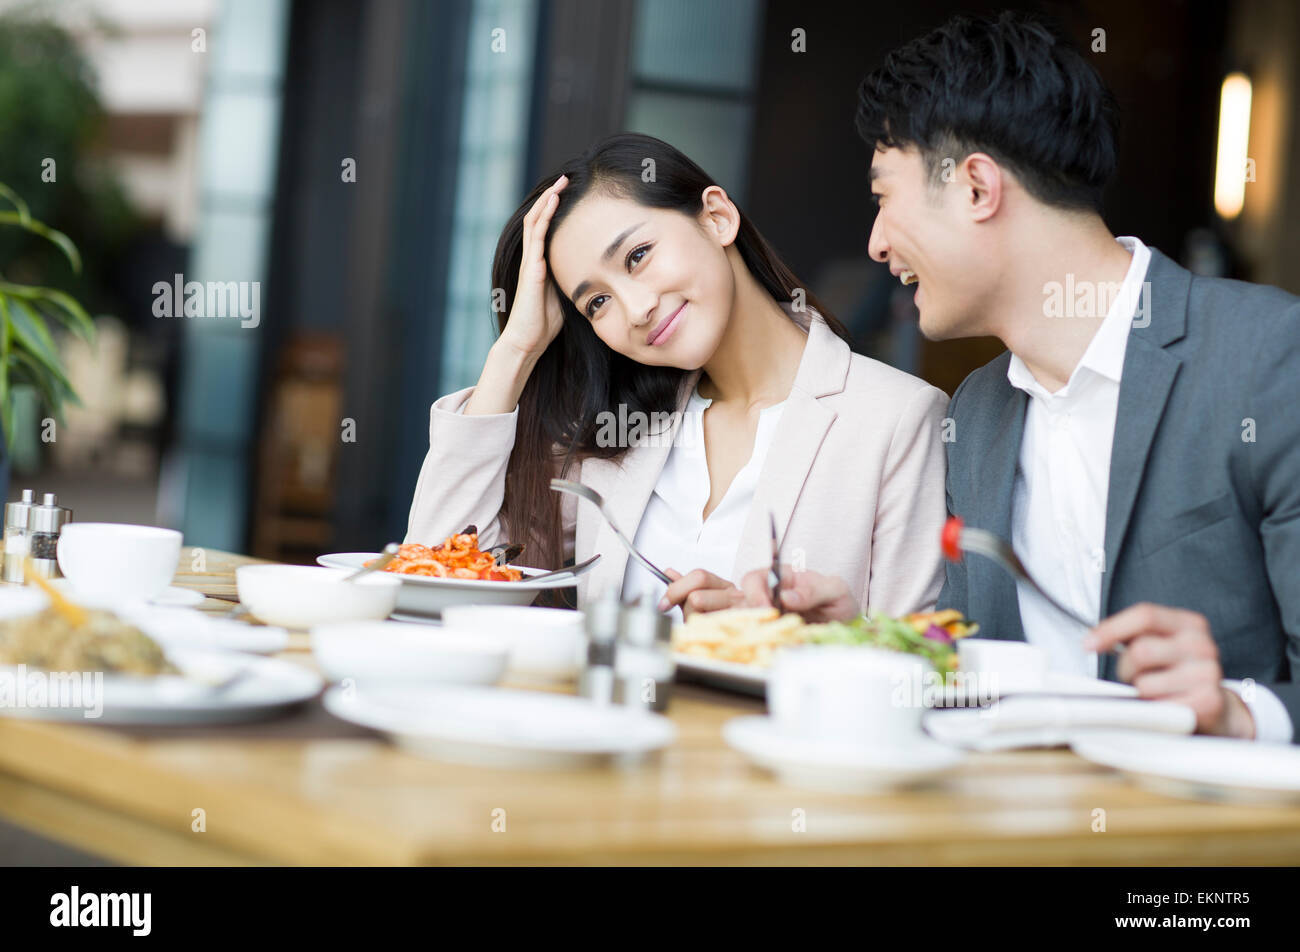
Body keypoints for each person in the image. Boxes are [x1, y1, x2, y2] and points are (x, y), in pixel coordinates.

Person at [744, 12, 1300, 742]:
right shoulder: (976, 412)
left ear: (977, 187)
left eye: (884, 196)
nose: (877, 244)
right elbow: (990, 668)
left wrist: (1237, 712)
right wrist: (863, 638)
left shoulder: (1269, 358)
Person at [406, 133, 948, 618]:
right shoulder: (622, 437)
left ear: (717, 218)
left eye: (637, 256)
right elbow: (438, 573)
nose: (635, 309)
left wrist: (790, 639)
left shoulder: (897, 418)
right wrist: (515, 351)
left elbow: (915, 661)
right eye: (596, 303)